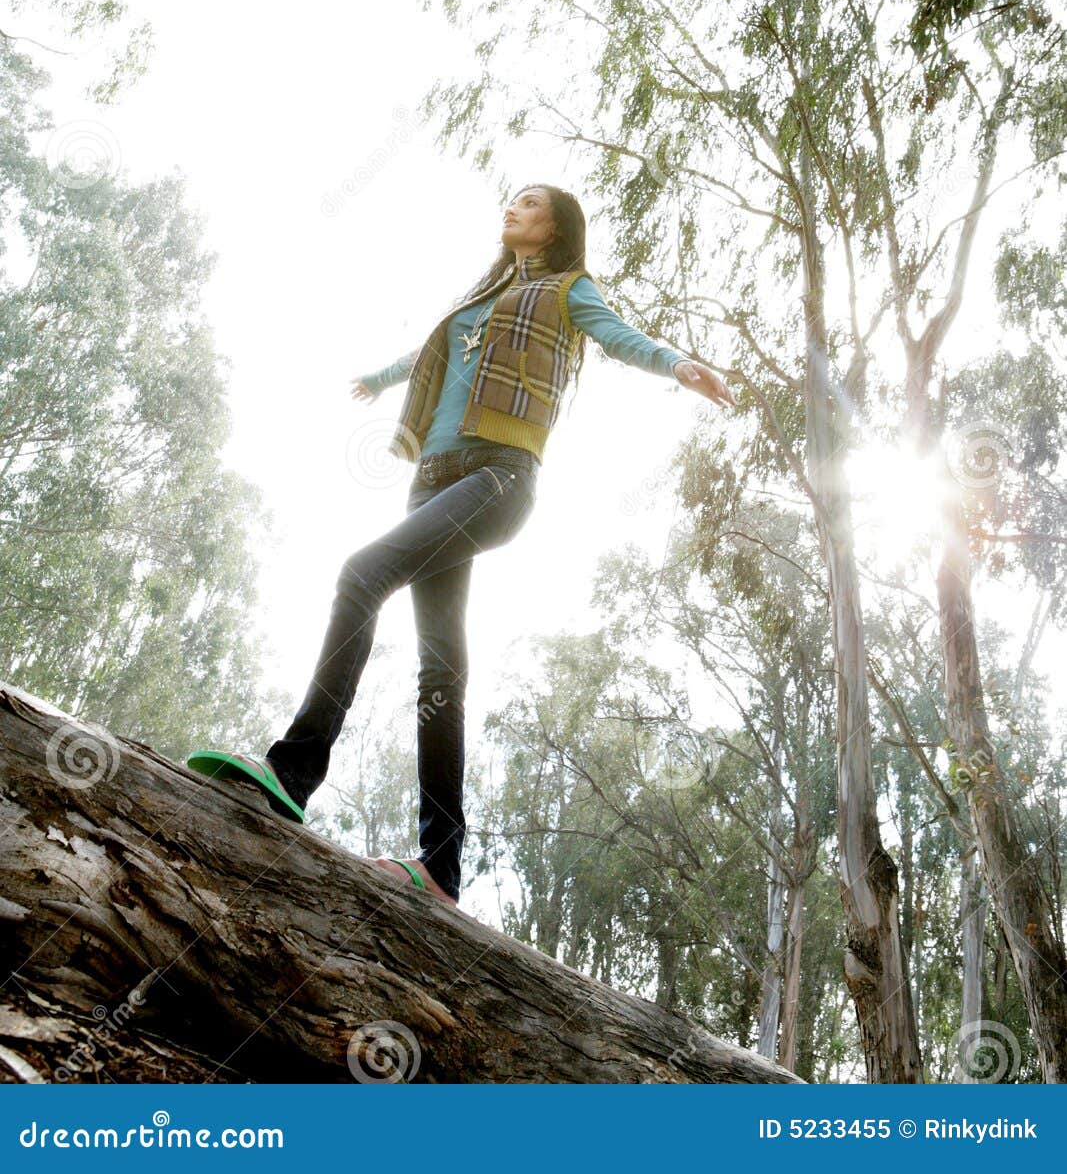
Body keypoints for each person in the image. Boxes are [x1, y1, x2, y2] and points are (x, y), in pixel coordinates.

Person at [187, 184, 735, 908]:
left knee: (361, 575)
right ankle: (441, 868)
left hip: (498, 477)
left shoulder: (570, 290)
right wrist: (380, 379)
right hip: (432, 479)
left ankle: (290, 775)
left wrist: (677, 365)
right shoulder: (483, 295)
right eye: (510, 201)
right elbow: (431, 351)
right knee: (439, 673)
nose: (512, 209)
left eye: (529, 203)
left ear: (558, 225)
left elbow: (619, 335)